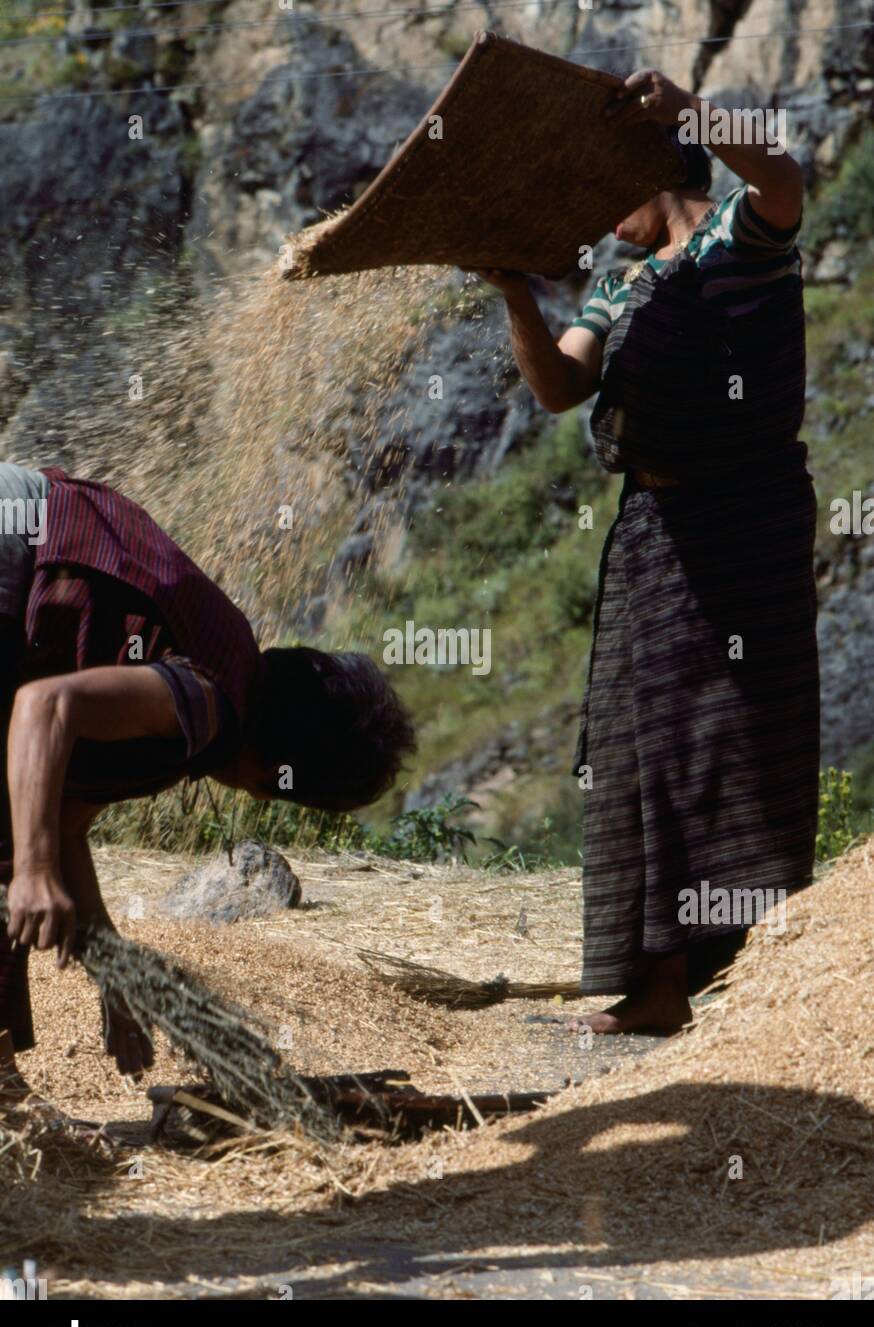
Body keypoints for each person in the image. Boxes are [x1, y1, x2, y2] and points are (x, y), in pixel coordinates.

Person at [472, 70, 818, 1034]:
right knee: (642, 744)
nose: (589, 220)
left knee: (729, 737)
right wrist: (513, 291)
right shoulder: (618, 281)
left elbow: (783, 176)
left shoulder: (738, 233)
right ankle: (652, 978)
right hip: (655, 537)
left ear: (647, 172)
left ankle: (731, 977)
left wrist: (690, 112)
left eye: (597, 194)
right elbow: (559, 389)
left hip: (741, 528)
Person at [0, 462, 415, 1090]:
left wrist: (115, 972)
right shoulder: (211, 704)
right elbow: (43, 708)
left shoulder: (227, 668)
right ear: (282, 775)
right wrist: (32, 872)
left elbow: (63, 824)